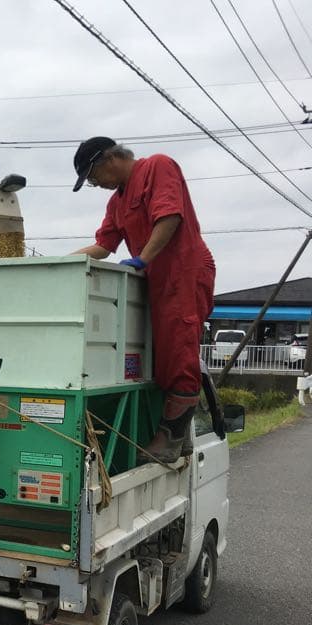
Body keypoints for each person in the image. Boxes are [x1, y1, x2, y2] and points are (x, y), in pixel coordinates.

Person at [71, 136, 215, 463]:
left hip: (184, 271)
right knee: (159, 356)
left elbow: (170, 217)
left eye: (93, 178)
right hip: (156, 279)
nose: (97, 184)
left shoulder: (158, 167)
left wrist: (143, 258)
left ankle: (171, 438)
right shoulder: (116, 203)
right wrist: (61, 264)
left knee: (179, 349)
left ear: (108, 159)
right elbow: (104, 245)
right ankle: (180, 438)